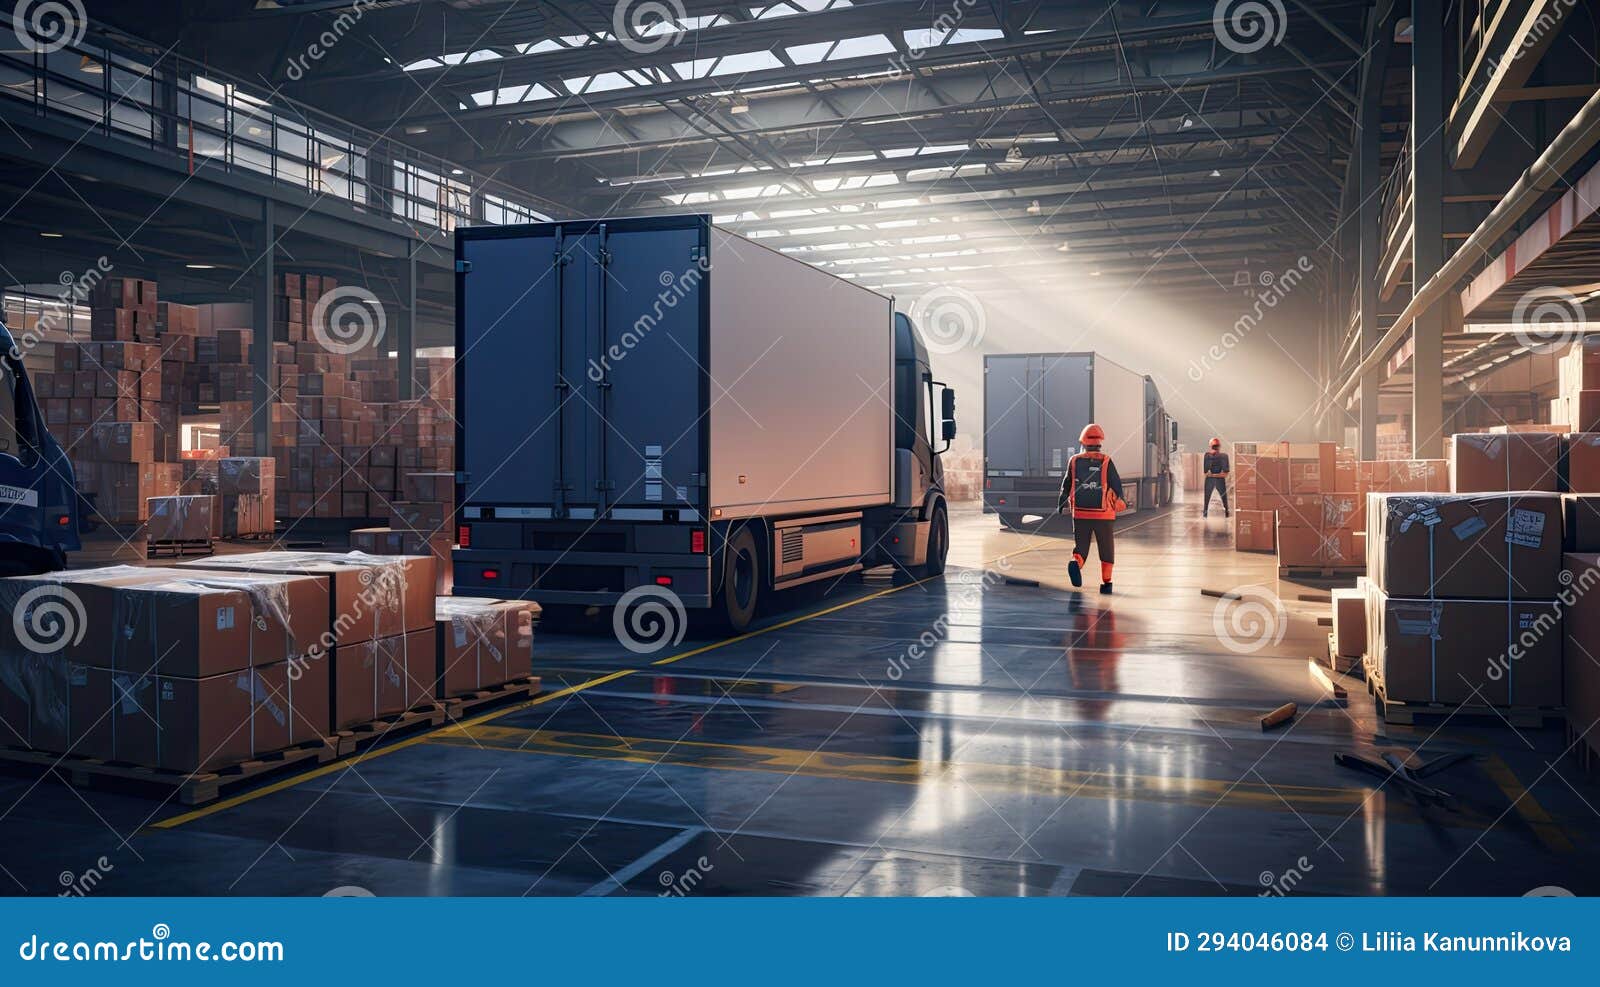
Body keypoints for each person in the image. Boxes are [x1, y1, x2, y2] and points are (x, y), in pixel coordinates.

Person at [1058, 423, 1125, 595]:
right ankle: (1106, 583)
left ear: (1083, 442)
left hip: (1080, 513)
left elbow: (1066, 484)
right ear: (1100, 442)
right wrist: (1121, 500)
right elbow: (1116, 485)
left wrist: (1061, 501)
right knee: (1106, 547)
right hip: (1104, 515)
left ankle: (1076, 562)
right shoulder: (1106, 461)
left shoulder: (1074, 461)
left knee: (1081, 547)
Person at [1202, 437, 1230, 518]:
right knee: (1207, 499)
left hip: (1215, 479)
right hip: (1216, 479)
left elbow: (1225, 473)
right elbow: (1206, 472)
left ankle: (1226, 511)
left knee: (1223, 498)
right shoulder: (1208, 456)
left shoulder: (1223, 456)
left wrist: (1213, 475)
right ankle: (1206, 512)